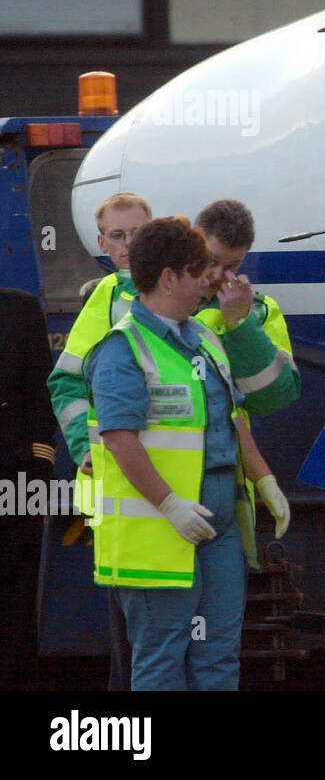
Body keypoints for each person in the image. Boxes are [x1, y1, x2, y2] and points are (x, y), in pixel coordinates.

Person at [84, 217, 283, 690]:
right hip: (161, 530)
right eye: (198, 272)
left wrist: (264, 479)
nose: (208, 283)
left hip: (218, 521)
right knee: (161, 661)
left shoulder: (205, 338)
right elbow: (119, 439)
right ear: (169, 277)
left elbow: (231, 417)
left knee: (218, 657)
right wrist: (170, 504)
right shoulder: (123, 348)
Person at [47, 190, 152, 690]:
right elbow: (65, 381)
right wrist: (84, 447)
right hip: (117, 493)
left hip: (189, 486)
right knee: (130, 644)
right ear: (101, 242)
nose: (129, 244)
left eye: (138, 233)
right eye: (118, 235)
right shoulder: (106, 297)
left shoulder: (190, 291)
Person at [193, 199, 301, 418]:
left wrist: (241, 324)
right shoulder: (144, 295)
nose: (217, 275)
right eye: (212, 260)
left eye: (231, 265)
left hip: (222, 448)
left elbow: (276, 399)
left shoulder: (260, 311)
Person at [0, 288, 58, 690]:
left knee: (15, 600)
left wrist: (40, 470)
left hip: (13, 477)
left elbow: (41, 396)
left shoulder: (20, 309)